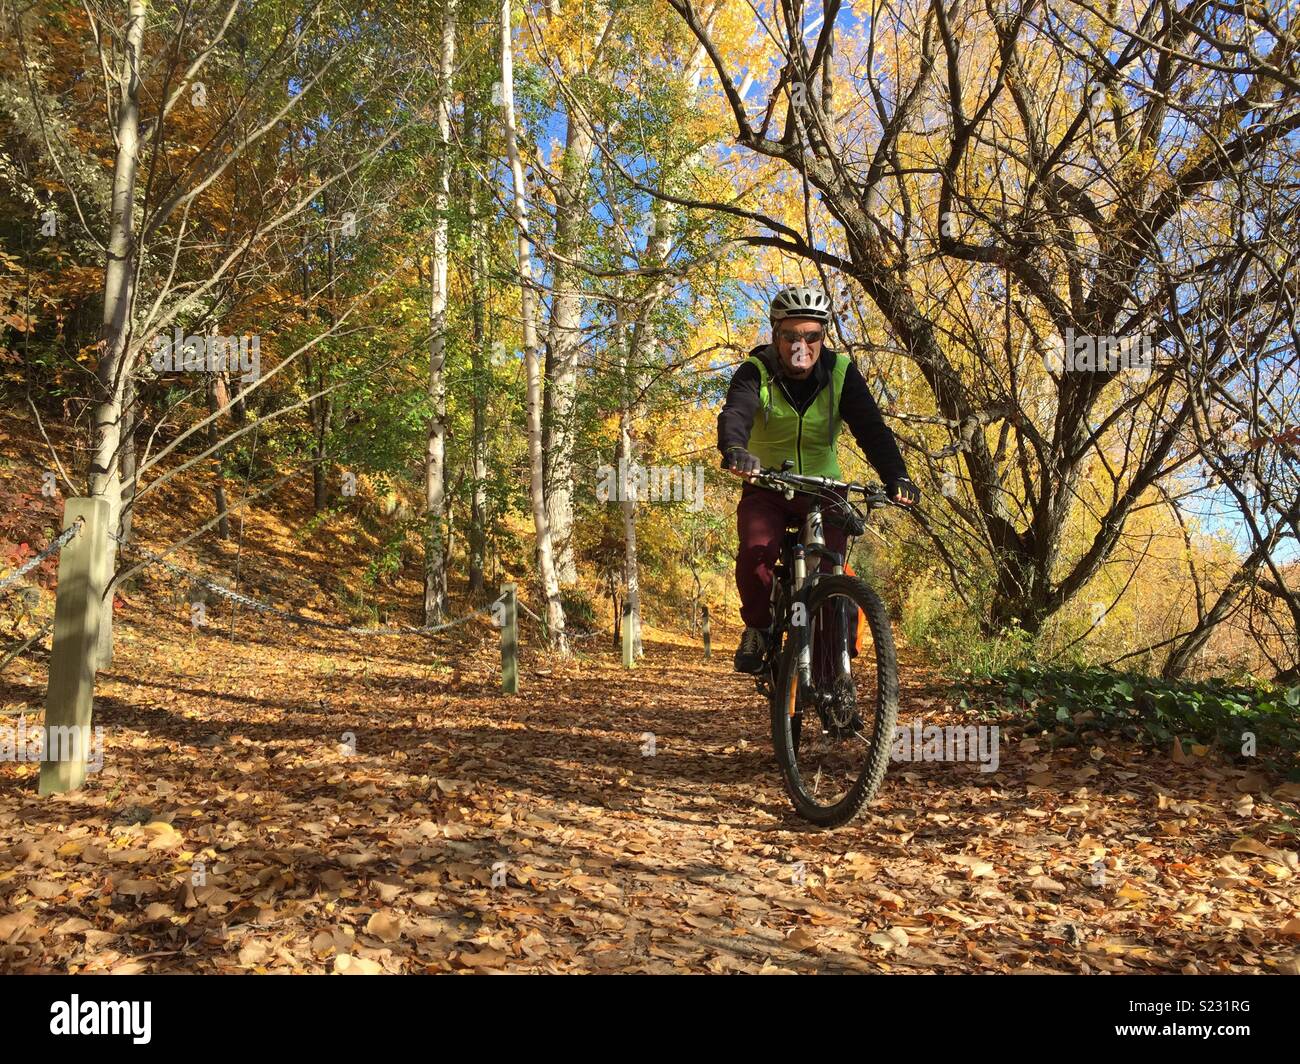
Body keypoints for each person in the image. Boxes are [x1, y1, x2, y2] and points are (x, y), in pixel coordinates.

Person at [717, 285, 919, 673]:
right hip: (767, 485)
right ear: (775, 334)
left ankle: (832, 683)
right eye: (791, 335)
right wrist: (735, 449)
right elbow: (736, 413)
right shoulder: (755, 371)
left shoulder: (841, 373)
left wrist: (897, 475)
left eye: (811, 336)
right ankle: (758, 627)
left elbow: (871, 429)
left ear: (822, 337)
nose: (801, 345)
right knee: (755, 557)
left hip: (825, 489)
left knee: (830, 577)